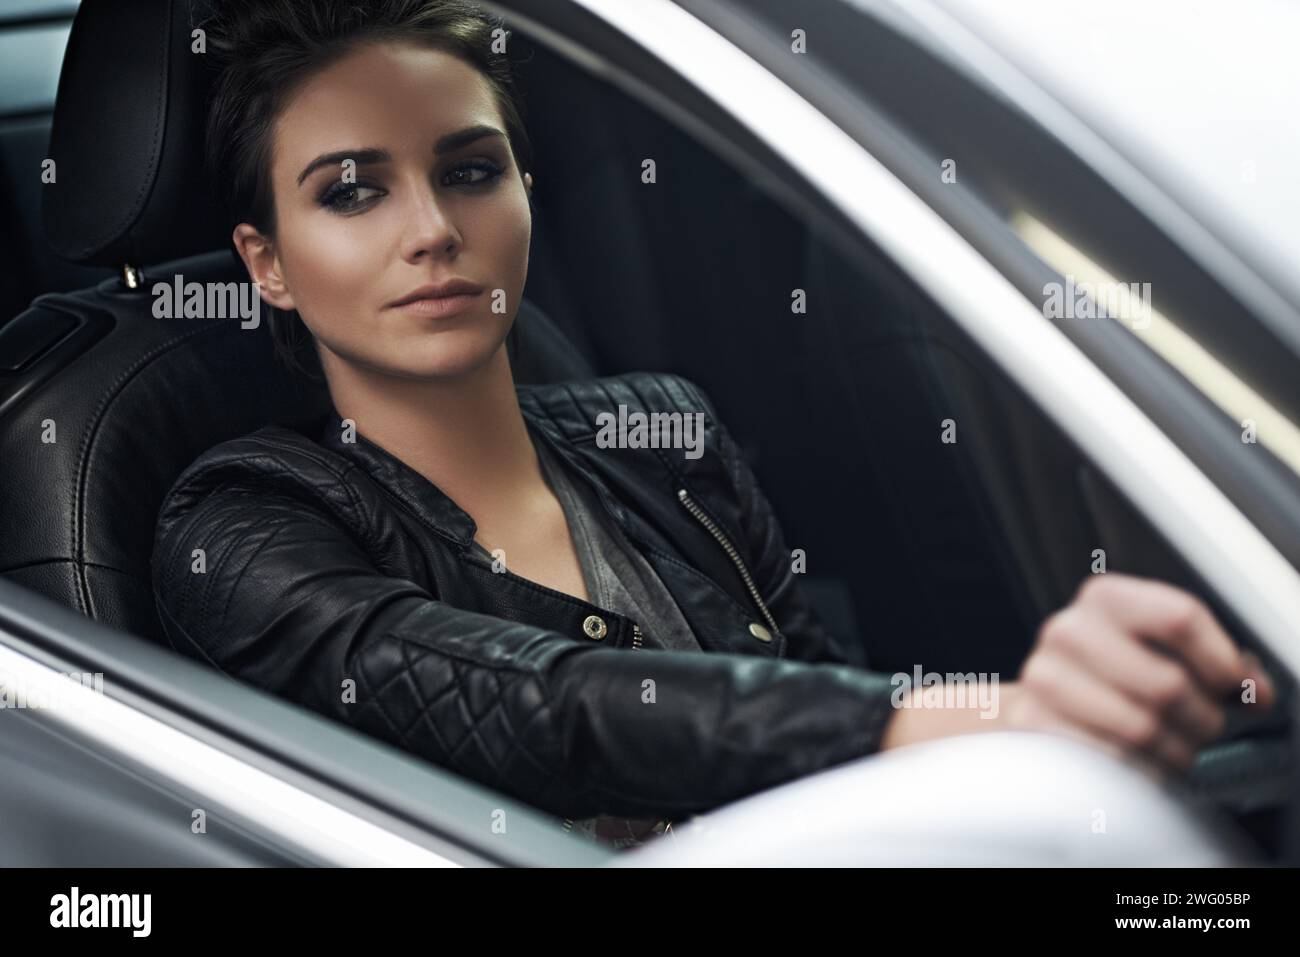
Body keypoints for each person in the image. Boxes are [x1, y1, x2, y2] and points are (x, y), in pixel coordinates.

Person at [151, 0, 1275, 850]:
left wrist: (1042, 717)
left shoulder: (661, 430)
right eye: (352, 191)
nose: (435, 229)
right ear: (267, 265)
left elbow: (818, 687)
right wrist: (967, 718)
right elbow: (543, 706)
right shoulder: (240, 523)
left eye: (471, 169)